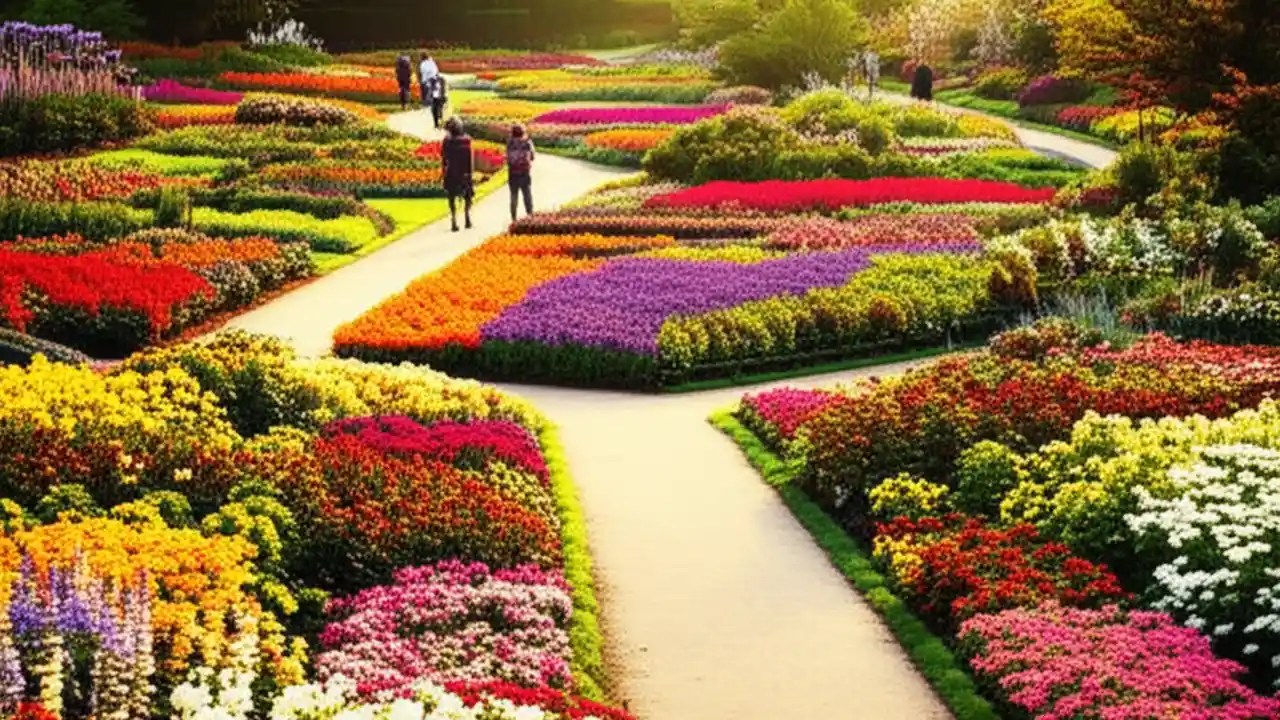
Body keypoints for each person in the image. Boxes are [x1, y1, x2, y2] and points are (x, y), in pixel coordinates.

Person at [441, 117, 474, 232]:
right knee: (468, 196)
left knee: (451, 197)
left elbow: (444, 159)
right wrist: (471, 173)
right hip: (465, 172)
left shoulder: (447, 141)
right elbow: (470, 159)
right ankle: (467, 216)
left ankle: (454, 218)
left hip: (452, 172)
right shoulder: (467, 140)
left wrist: (443, 172)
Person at [506, 124, 535, 222]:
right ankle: (530, 215)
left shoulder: (510, 143)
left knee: (514, 196)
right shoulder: (527, 142)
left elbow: (507, 158)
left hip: (513, 173)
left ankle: (513, 217)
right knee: (527, 194)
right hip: (524, 173)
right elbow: (532, 157)